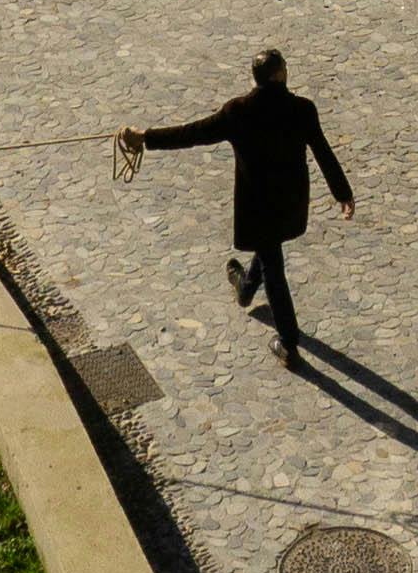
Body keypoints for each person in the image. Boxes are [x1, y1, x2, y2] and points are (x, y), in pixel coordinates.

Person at [119, 48, 350, 365]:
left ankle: (276, 325)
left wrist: (146, 137)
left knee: (273, 266)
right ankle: (263, 312)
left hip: (258, 206)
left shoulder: (238, 112)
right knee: (271, 257)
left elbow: (194, 133)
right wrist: (342, 193)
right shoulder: (302, 109)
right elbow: (323, 152)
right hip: (290, 202)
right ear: (281, 74)